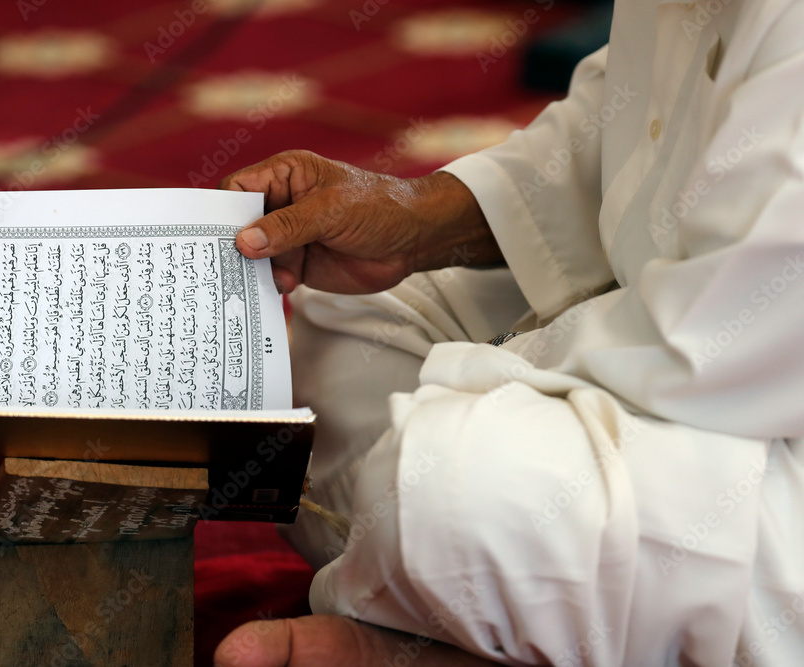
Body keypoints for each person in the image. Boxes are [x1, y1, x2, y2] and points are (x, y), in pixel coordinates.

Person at [213, 0, 804, 663]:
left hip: (751, 427)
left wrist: (481, 380)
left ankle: (441, 622)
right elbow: (633, 127)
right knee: (356, 323)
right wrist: (418, 221)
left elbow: (704, 352)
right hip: (650, 344)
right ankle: (481, 612)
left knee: (461, 481)